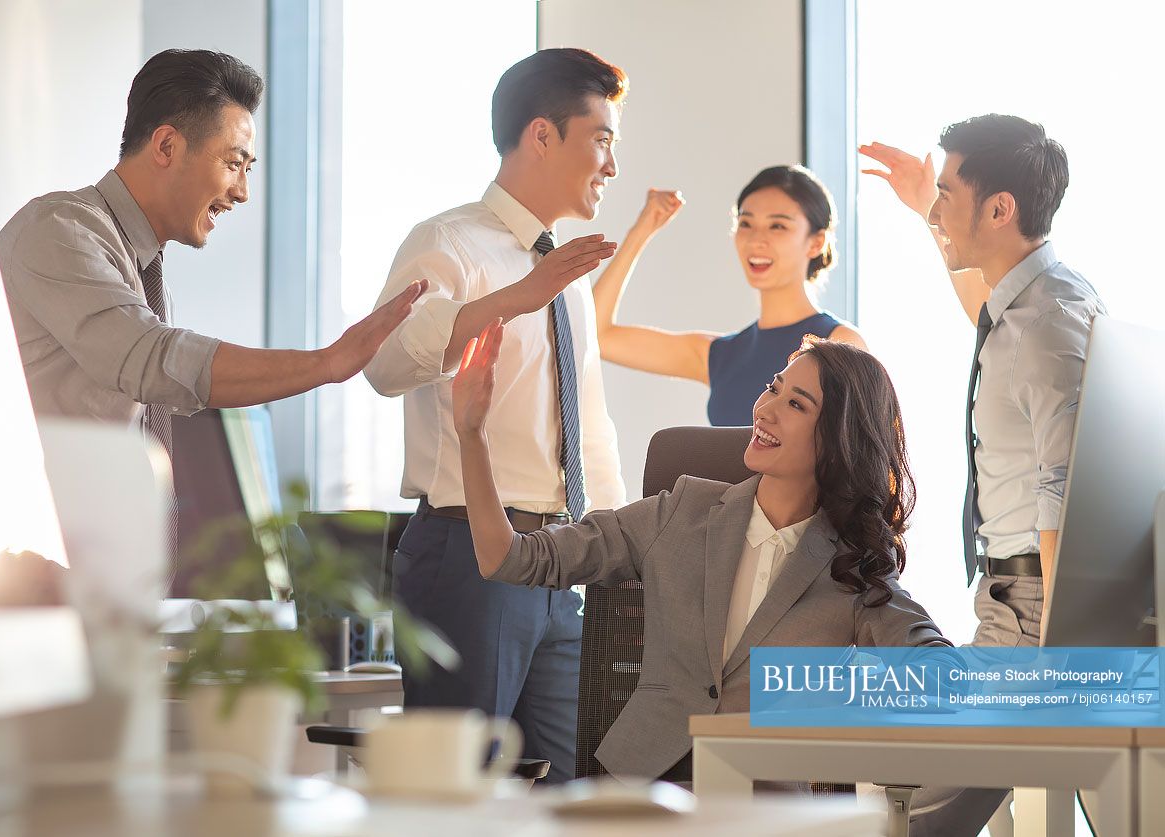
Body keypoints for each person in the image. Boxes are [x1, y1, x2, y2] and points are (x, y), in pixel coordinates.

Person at [453, 321, 950, 782]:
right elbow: (508, 558)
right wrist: (472, 434)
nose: (765, 410)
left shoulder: (853, 566)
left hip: (763, 805)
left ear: (839, 441)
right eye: (773, 388)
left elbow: (939, 676)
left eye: (797, 405)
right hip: (641, 793)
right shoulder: (681, 510)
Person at [362, 48, 627, 783]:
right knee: (458, 789)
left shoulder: (567, 273)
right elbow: (383, 363)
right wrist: (515, 298)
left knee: (571, 788)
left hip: (561, 561)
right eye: (601, 139)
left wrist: (615, 547)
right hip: (467, 555)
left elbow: (587, 423)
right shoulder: (447, 242)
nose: (611, 165)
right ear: (541, 135)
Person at [0, 49, 426, 466]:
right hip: (25, 512)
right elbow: (152, 360)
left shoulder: (145, 272)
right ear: (166, 146)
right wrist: (326, 363)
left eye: (248, 169)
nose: (242, 192)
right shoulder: (60, 229)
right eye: (234, 163)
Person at [861, 116, 1106, 836]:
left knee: (901, 805)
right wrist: (925, 213)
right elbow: (985, 315)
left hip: (1033, 617)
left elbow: (1064, 493)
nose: (938, 207)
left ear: (999, 209)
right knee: (940, 799)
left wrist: (1062, 660)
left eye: (947, 192)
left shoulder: (1046, 325)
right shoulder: (1035, 303)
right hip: (1012, 605)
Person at [592, 165, 866, 426]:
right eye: (746, 223)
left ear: (816, 242)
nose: (756, 240)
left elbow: (864, 449)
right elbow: (597, 335)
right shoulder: (720, 355)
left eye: (777, 226)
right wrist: (642, 230)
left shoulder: (840, 343)